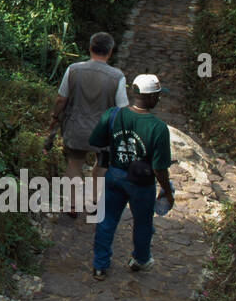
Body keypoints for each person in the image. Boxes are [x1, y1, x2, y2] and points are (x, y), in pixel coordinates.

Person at [88, 74, 175, 280]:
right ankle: (140, 259)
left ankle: (100, 265)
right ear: (152, 97)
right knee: (143, 223)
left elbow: (96, 140)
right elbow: (160, 167)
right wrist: (167, 192)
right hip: (142, 182)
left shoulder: (113, 114)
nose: (159, 99)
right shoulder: (158, 128)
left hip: (115, 175)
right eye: (158, 95)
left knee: (106, 220)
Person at [44, 32, 128, 217]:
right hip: (104, 132)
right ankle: (95, 203)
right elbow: (122, 108)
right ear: (110, 51)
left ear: (90, 48)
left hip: (76, 127)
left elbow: (61, 99)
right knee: (102, 165)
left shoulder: (74, 69)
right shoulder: (117, 77)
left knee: (74, 164)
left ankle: (71, 205)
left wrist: (55, 117)